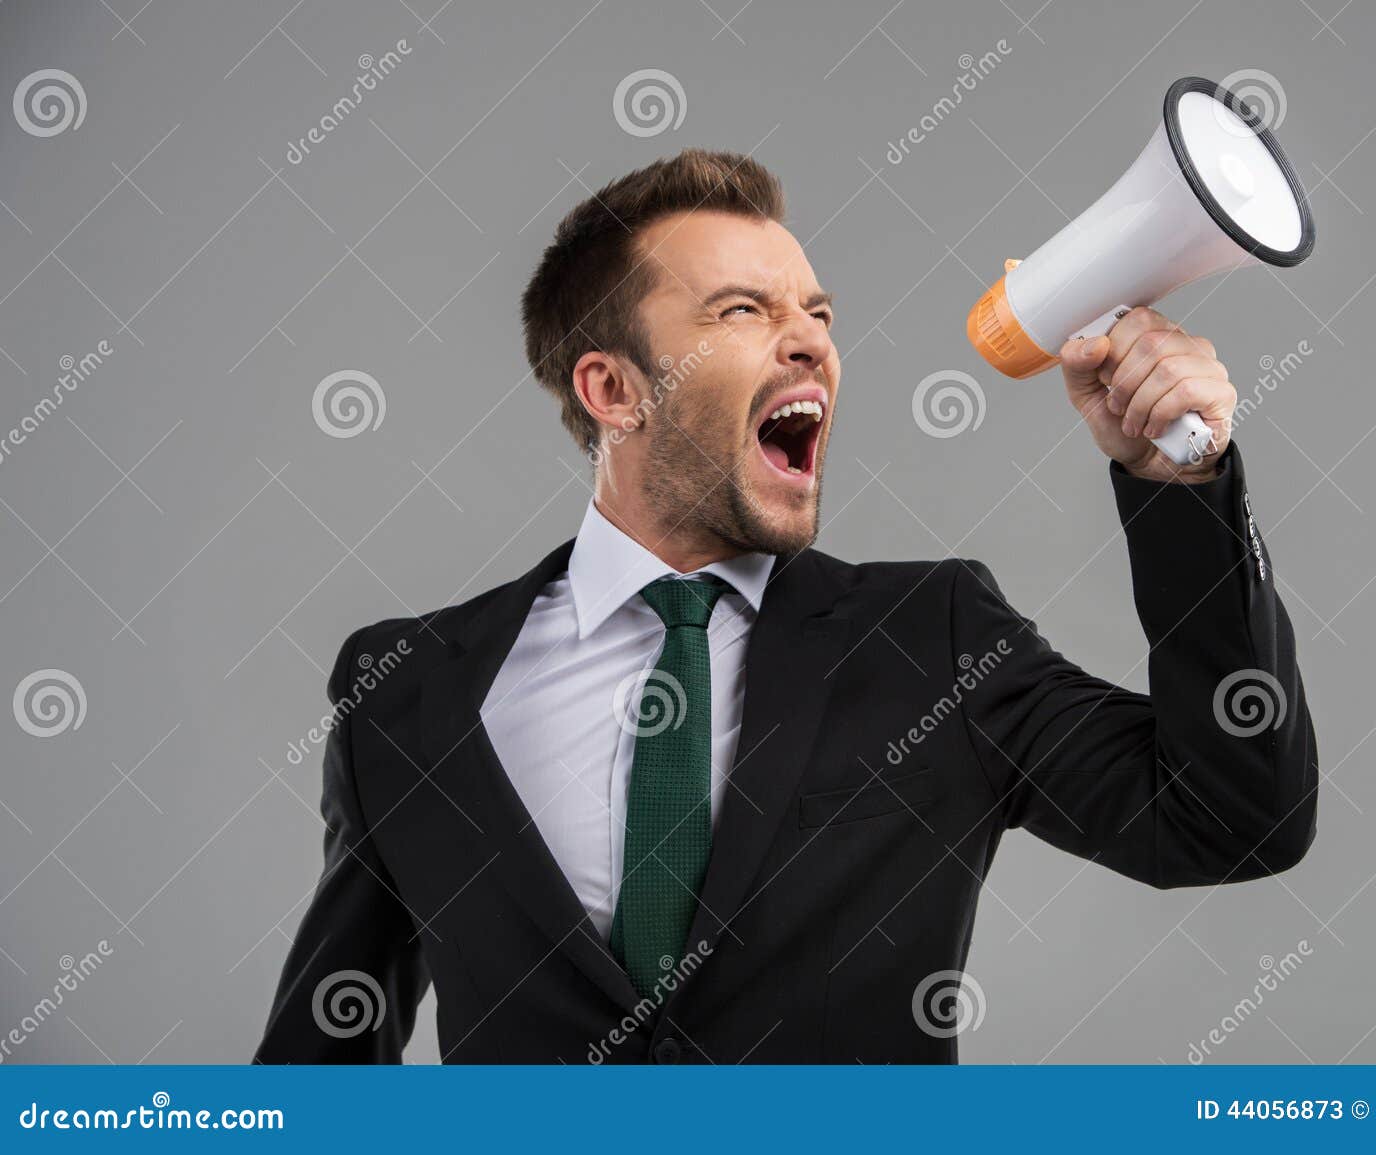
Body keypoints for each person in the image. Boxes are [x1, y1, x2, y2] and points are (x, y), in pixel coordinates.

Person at [254, 148, 1317, 1064]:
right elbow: (321, 1060)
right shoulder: (408, 692)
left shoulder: (931, 640)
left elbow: (1232, 820)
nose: (810, 340)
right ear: (613, 391)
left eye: (817, 313)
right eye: (742, 311)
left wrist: (1180, 489)